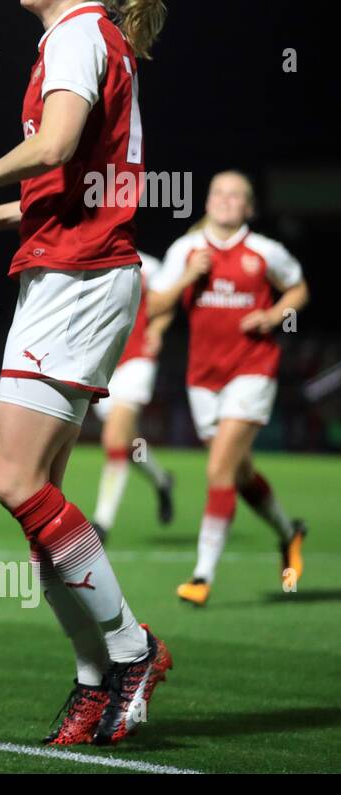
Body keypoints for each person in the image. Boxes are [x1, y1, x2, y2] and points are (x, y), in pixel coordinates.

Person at [0, 0, 171, 746]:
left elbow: (59, 141)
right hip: (71, 270)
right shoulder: (83, 37)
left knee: (16, 485)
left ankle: (132, 650)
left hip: (80, 280)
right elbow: (80, 168)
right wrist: (6, 217)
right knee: (40, 505)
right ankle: (92, 678)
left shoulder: (78, 33)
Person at [147, 171, 309, 606]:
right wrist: (186, 278)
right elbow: (155, 305)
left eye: (236, 194)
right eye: (218, 192)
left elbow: (298, 288)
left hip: (253, 370)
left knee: (219, 469)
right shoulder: (186, 249)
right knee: (237, 473)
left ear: (249, 208)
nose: (225, 199)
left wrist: (274, 316)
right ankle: (289, 532)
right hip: (203, 377)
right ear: (207, 202)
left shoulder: (264, 251)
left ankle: (201, 576)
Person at [90, 251, 176, 542]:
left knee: (114, 440)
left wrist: (158, 329)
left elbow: (166, 305)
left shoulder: (149, 266)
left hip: (137, 359)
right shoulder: (84, 255)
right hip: (99, 364)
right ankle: (163, 480)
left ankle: (101, 523)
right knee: (127, 443)